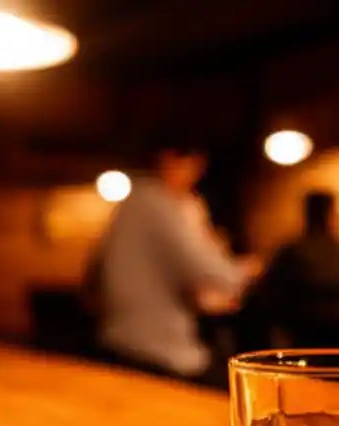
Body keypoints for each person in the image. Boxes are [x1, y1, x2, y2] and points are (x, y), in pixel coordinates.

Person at [90, 136, 253, 384]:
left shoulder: (132, 203)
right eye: (194, 166)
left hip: (120, 341)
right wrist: (252, 268)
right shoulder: (158, 204)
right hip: (156, 349)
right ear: (170, 159)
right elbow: (214, 273)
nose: (195, 177)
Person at [242, 191, 339, 347]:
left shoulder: (291, 253)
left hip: (305, 339)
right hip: (335, 339)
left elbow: (266, 294)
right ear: (332, 214)